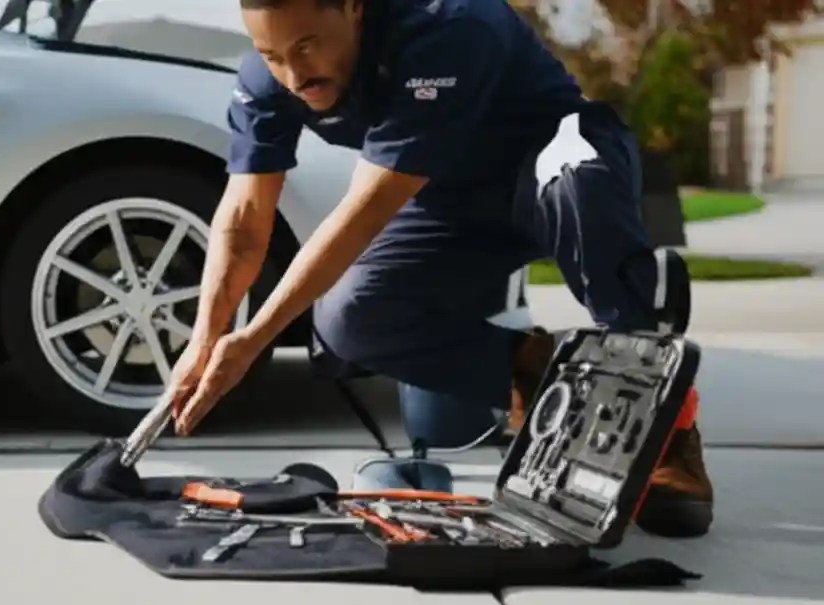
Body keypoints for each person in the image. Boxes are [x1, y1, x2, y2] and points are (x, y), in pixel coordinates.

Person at [165, 0, 714, 538]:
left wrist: (256, 337)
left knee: (575, 180)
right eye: (272, 54)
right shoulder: (266, 79)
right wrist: (207, 337)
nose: (293, 73)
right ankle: (538, 372)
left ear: (354, 8)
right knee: (350, 319)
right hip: (450, 199)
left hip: (550, 158)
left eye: (306, 46)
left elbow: (363, 215)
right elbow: (242, 220)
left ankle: (665, 423)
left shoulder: (448, 27)